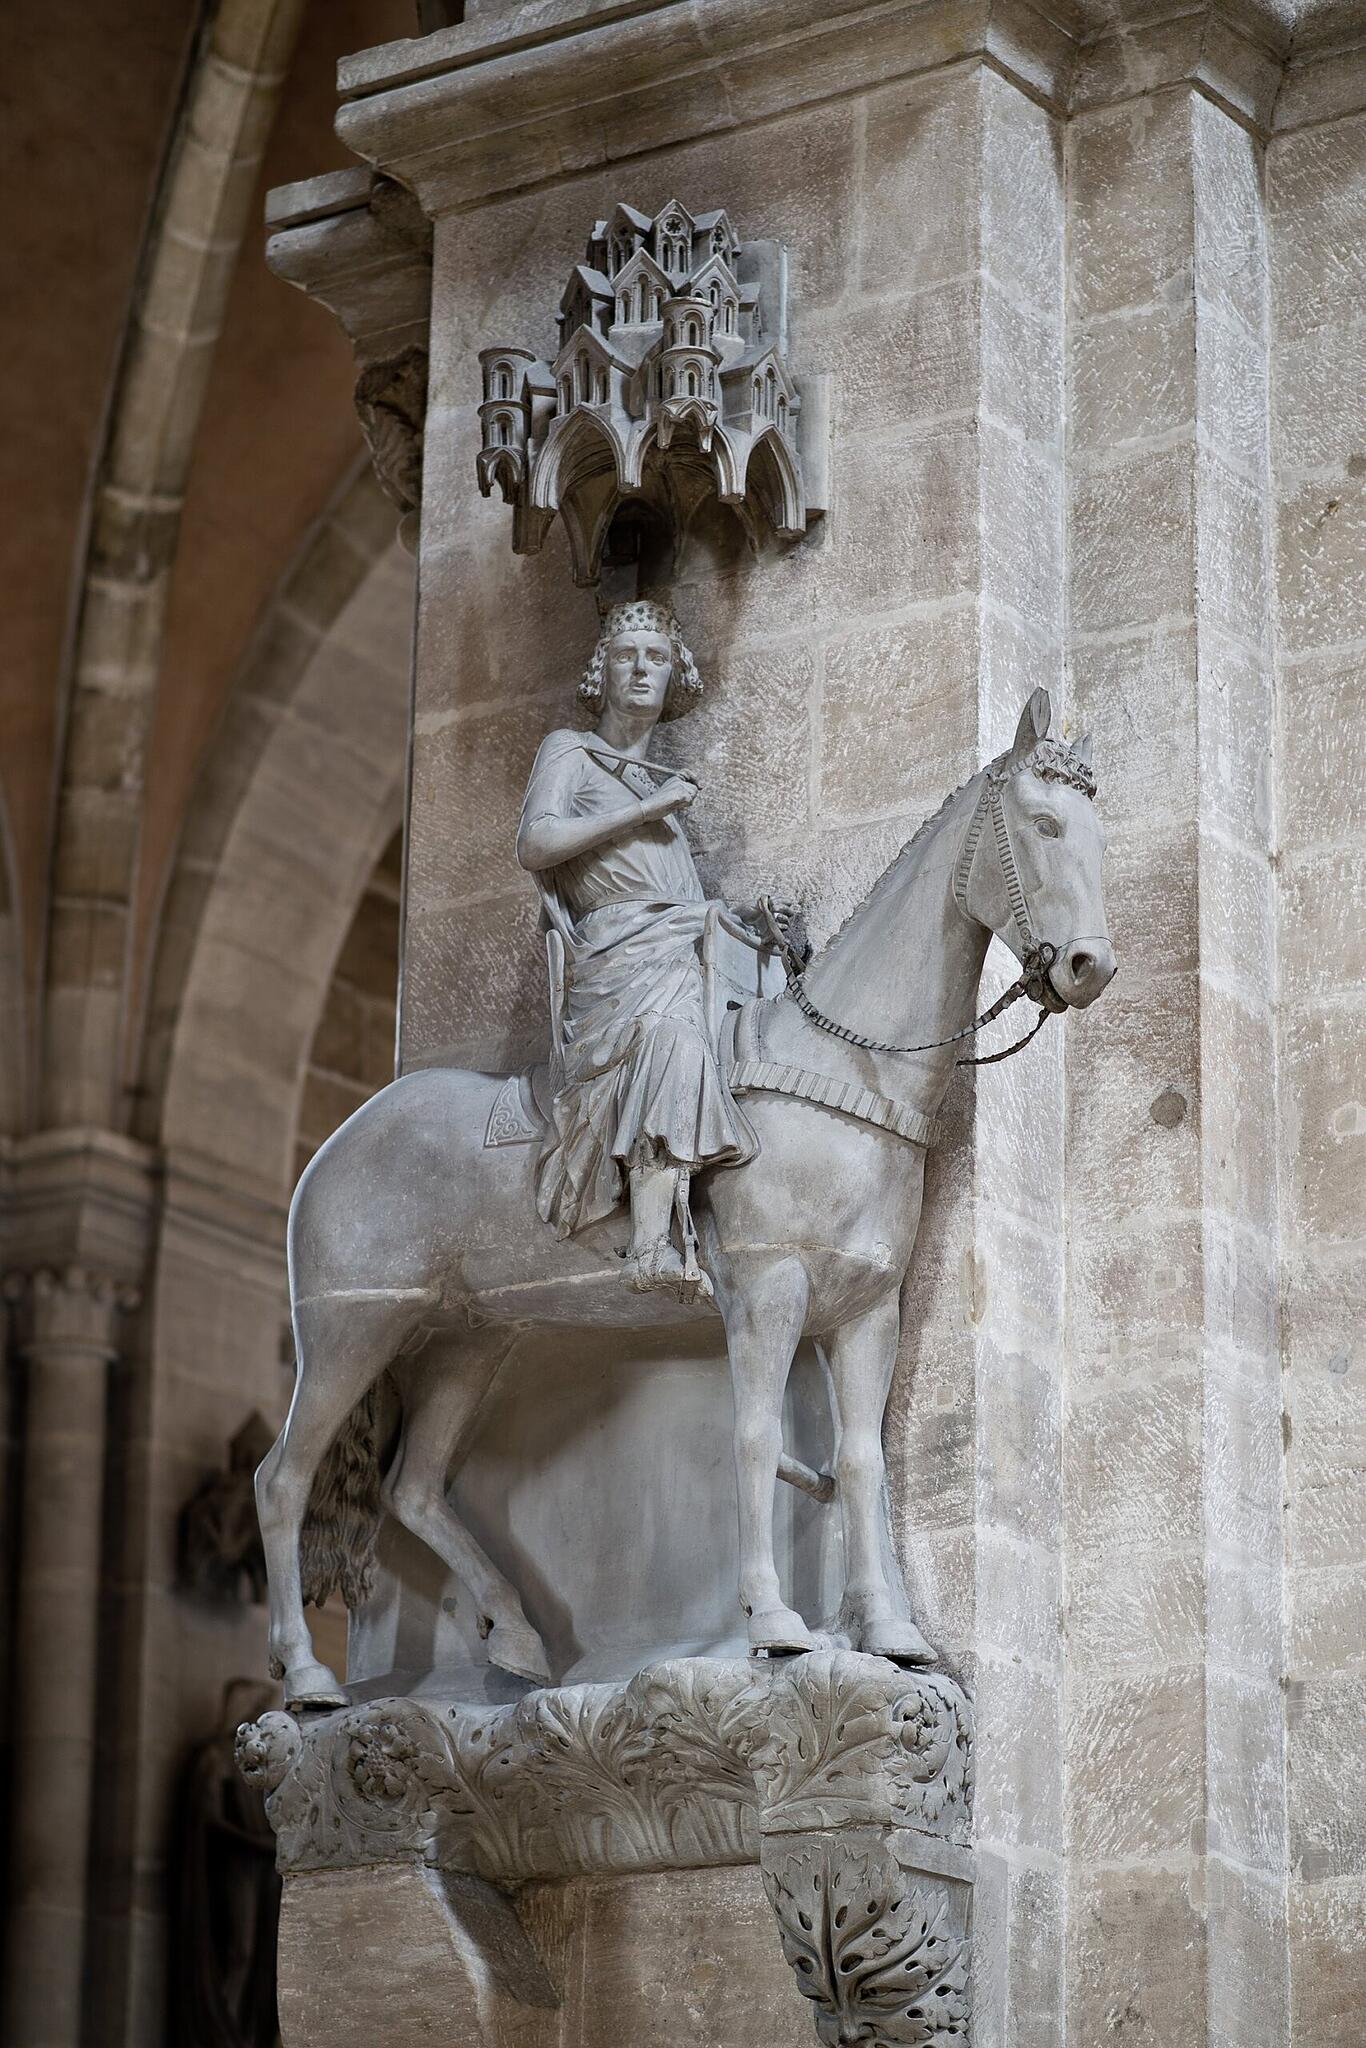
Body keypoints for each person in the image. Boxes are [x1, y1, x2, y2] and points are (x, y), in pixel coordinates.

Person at [517, 599, 763, 1300]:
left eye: (656, 658)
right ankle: (652, 1247)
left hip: (672, 944)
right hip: (616, 957)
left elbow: (673, 898)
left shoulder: (658, 784)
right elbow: (535, 844)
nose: (642, 669)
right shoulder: (571, 752)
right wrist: (643, 812)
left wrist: (743, 920)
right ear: (603, 671)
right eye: (627, 655)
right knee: (674, 1043)